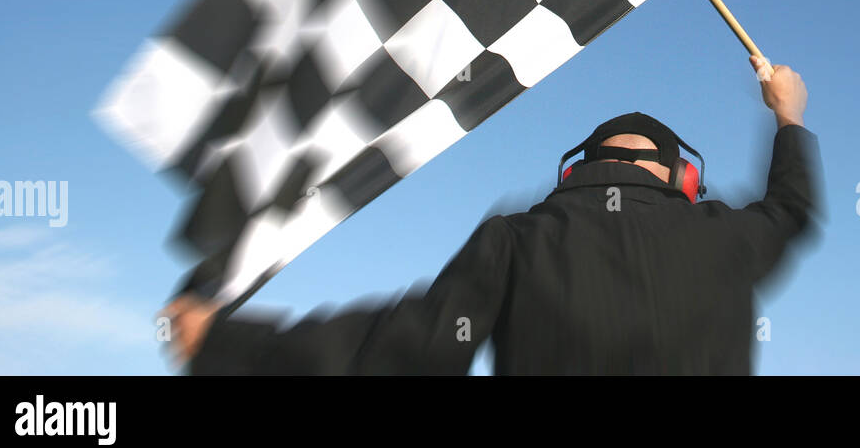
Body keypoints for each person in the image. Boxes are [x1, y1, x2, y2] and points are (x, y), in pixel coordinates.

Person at [162, 56, 821, 375]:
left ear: (578, 170)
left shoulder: (520, 238)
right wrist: (786, 113)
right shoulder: (728, 237)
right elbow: (794, 207)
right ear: (684, 178)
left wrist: (225, 341)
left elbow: (403, 345)